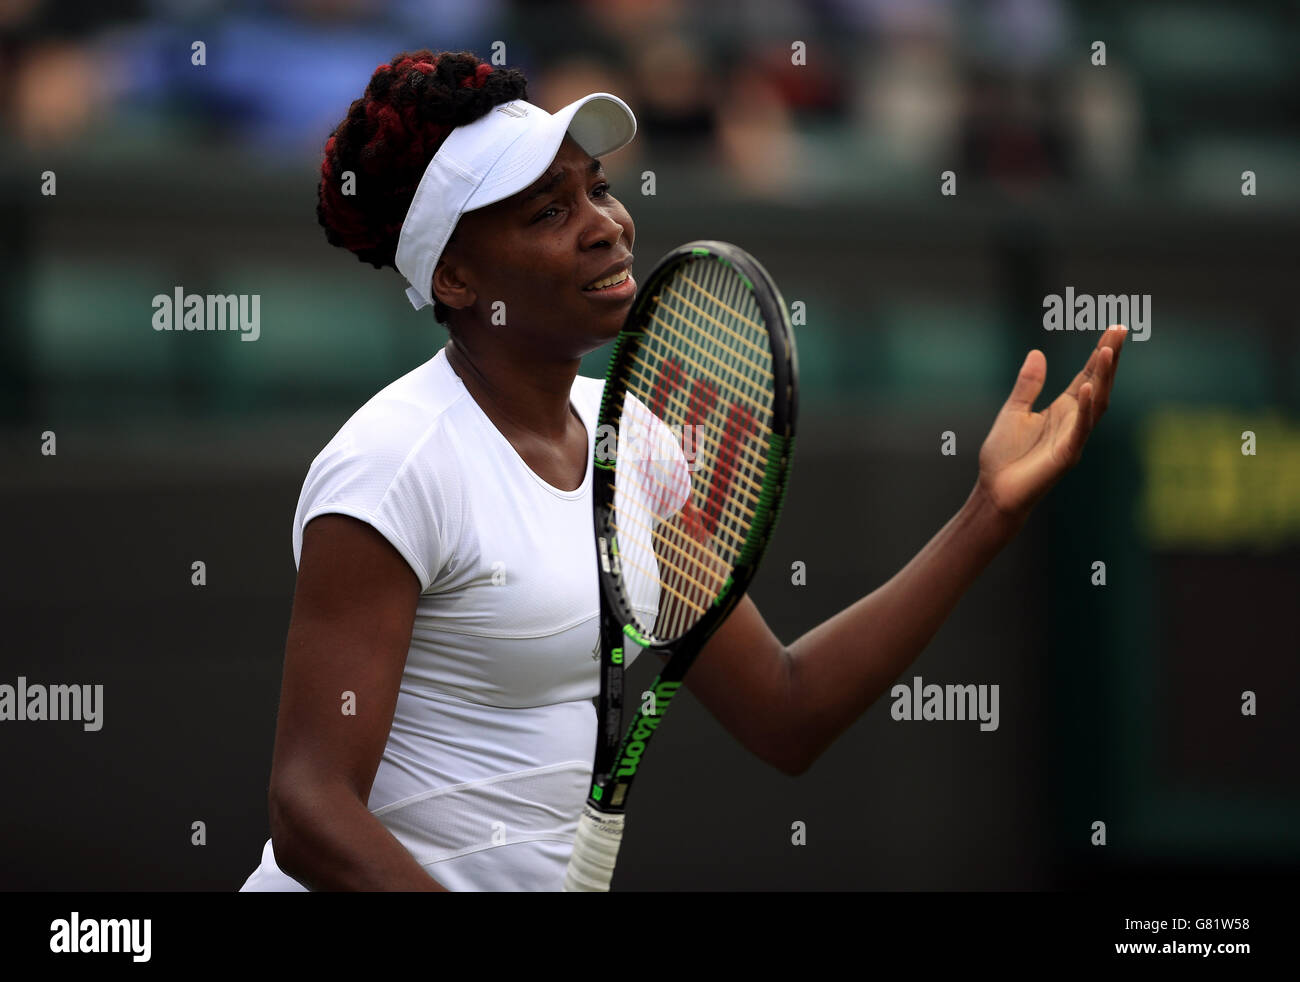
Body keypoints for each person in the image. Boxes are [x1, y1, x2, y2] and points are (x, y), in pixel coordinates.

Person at [239, 49, 1126, 892]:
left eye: (600, 190)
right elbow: (311, 809)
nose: (606, 227)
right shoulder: (395, 462)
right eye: (550, 212)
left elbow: (786, 709)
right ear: (460, 279)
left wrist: (987, 515)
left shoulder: (633, 439)